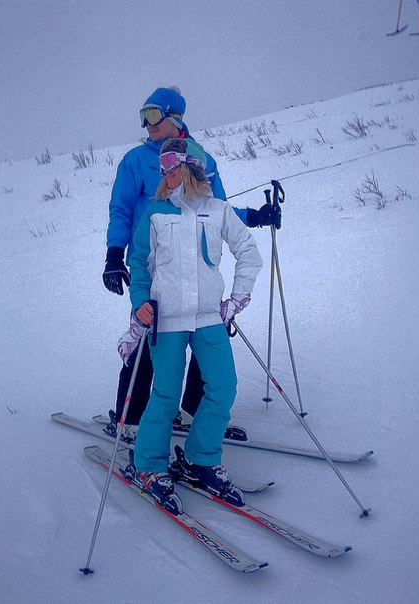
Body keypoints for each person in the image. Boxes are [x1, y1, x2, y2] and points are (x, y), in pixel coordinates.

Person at [102, 86, 280, 440]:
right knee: (149, 336)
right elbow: (120, 209)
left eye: (154, 114)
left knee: (208, 333)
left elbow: (218, 209)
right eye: (143, 116)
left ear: (175, 117)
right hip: (154, 265)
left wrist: (255, 217)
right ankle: (129, 419)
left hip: (198, 265)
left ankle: (196, 412)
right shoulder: (135, 161)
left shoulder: (202, 159)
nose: (147, 124)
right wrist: (114, 255)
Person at [128, 137, 262, 509]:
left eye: (171, 164)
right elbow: (139, 262)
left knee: (223, 387)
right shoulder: (155, 212)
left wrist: (238, 297)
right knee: (166, 394)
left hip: (208, 318)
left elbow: (248, 252)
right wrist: (140, 301)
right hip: (167, 318)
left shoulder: (218, 210)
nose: (165, 172)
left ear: (191, 166)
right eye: (161, 166)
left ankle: (201, 457)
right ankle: (149, 464)